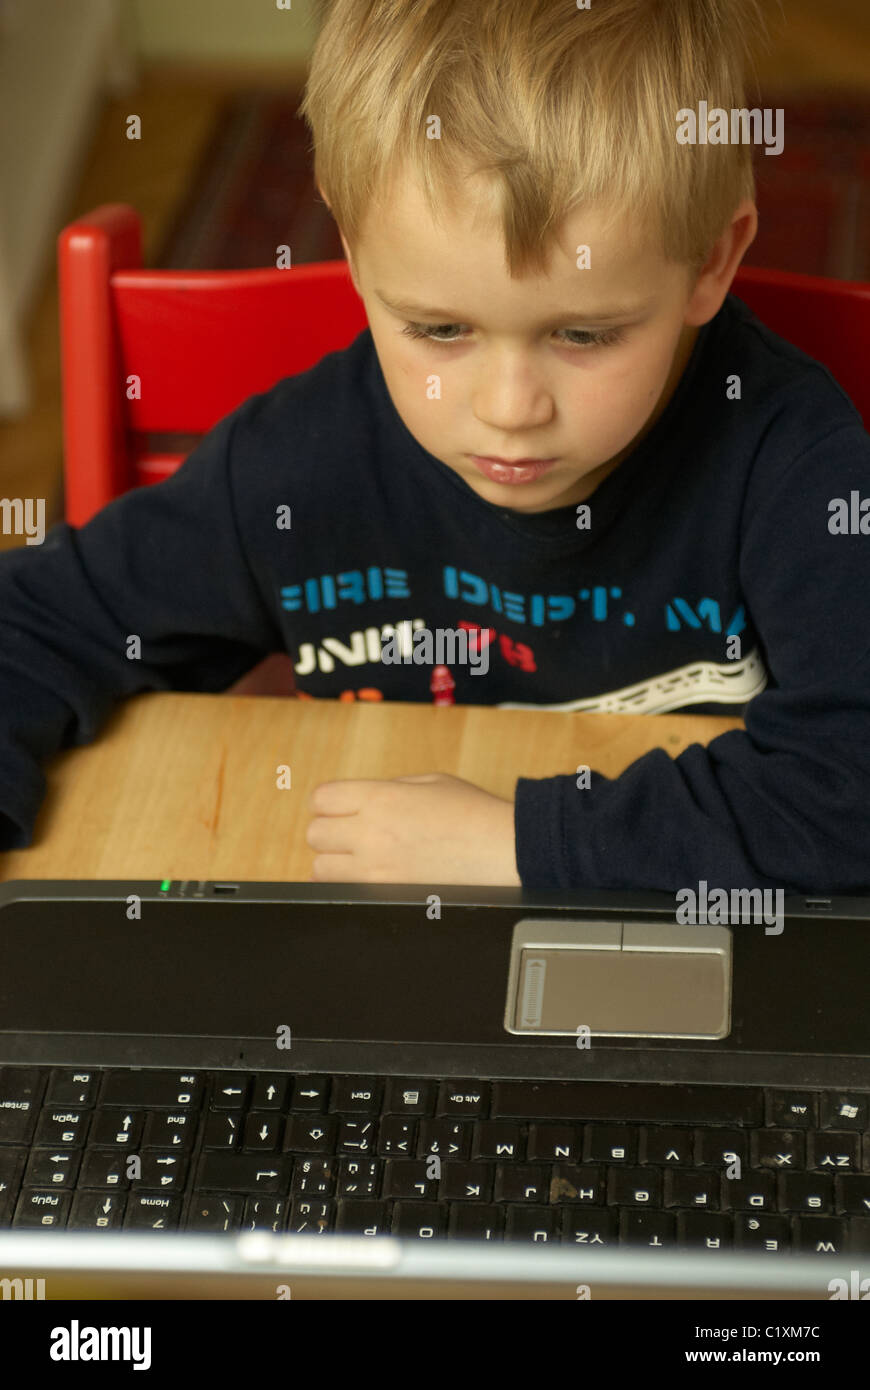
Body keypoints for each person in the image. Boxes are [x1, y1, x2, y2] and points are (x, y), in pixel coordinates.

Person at [1, 0, 868, 894]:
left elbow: (851, 790)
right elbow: (37, 622)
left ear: (713, 260)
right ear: (353, 249)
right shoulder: (300, 464)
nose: (509, 409)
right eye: (441, 329)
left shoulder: (796, 465)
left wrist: (521, 846)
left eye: (583, 335)